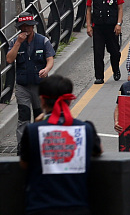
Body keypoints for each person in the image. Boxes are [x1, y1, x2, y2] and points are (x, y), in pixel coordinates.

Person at [19, 75, 102, 215]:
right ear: (69, 102)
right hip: (77, 207)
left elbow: (24, 163)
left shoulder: (33, 130)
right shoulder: (86, 128)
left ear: (42, 101)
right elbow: (98, 151)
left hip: (39, 207)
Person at [7, 14, 56, 141]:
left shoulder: (43, 40)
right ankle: (22, 147)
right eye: (23, 27)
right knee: (24, 115)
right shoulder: (14, 42)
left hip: (40, 85)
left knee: (40, 114)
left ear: (33, 26)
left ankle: (40, 143)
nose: (26, 29)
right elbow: (9, 59)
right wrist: (18, 43)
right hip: (22, 86)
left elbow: (50, 59)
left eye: (28, 26)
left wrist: (46, 69)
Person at [85, 0, 123, 84]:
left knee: (115, 52)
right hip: (98, 28)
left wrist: (118, 24)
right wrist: (88, 26)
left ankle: (116, 69)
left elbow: (120, 8)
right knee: (98, 53)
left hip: (112, 27)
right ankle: (99, 76)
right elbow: (88, 9)